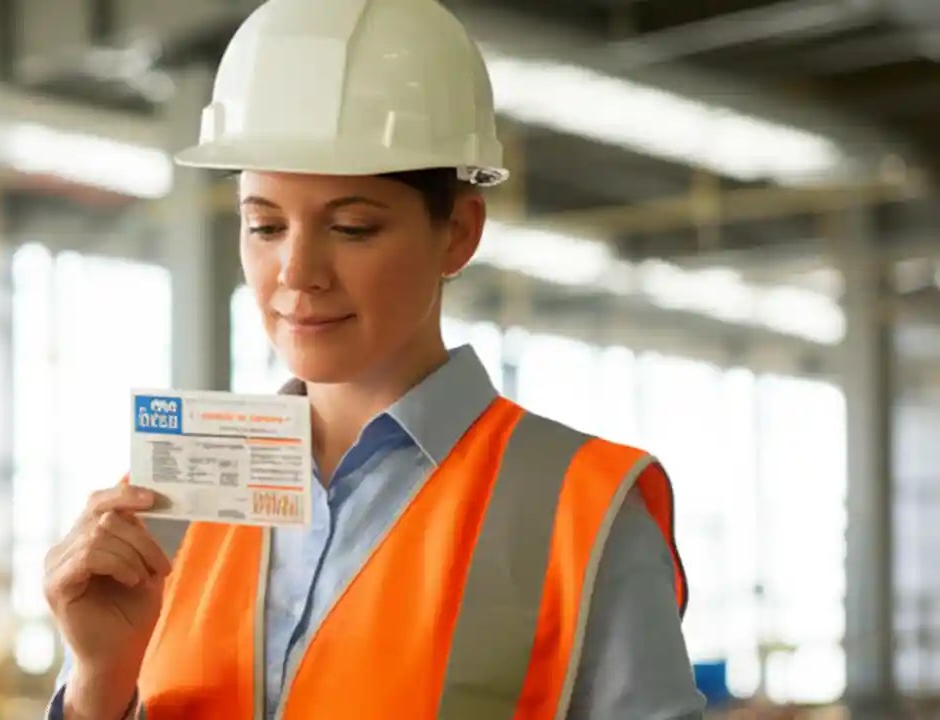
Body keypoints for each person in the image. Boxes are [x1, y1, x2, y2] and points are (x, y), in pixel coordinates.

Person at [43, 0, 707, 717]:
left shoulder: (581, 510)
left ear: (457, 232)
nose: (297, 272)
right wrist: (97, 682)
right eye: (264, 224)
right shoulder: (171, 505)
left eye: (353, 226)